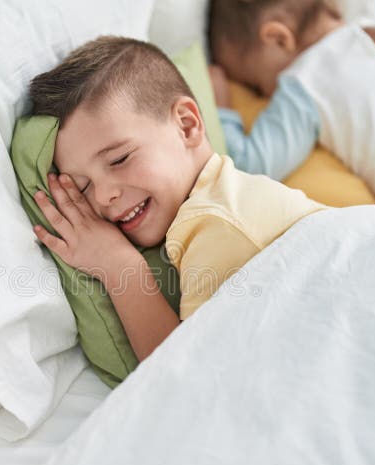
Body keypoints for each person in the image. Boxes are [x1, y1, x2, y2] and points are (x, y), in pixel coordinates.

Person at [28, 36, 326, 361]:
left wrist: (119, 266)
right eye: (83, 187)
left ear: (186, 126)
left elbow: (183, 373)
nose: (103, 195)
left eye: (119, 159)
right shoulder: (230, 192)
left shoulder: (217, 222)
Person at [208, 0, 375, 211]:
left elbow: (250, 168)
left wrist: (221, 106)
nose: (264, 95)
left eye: (256, 84)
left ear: (278, 38)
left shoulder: (303, 83)